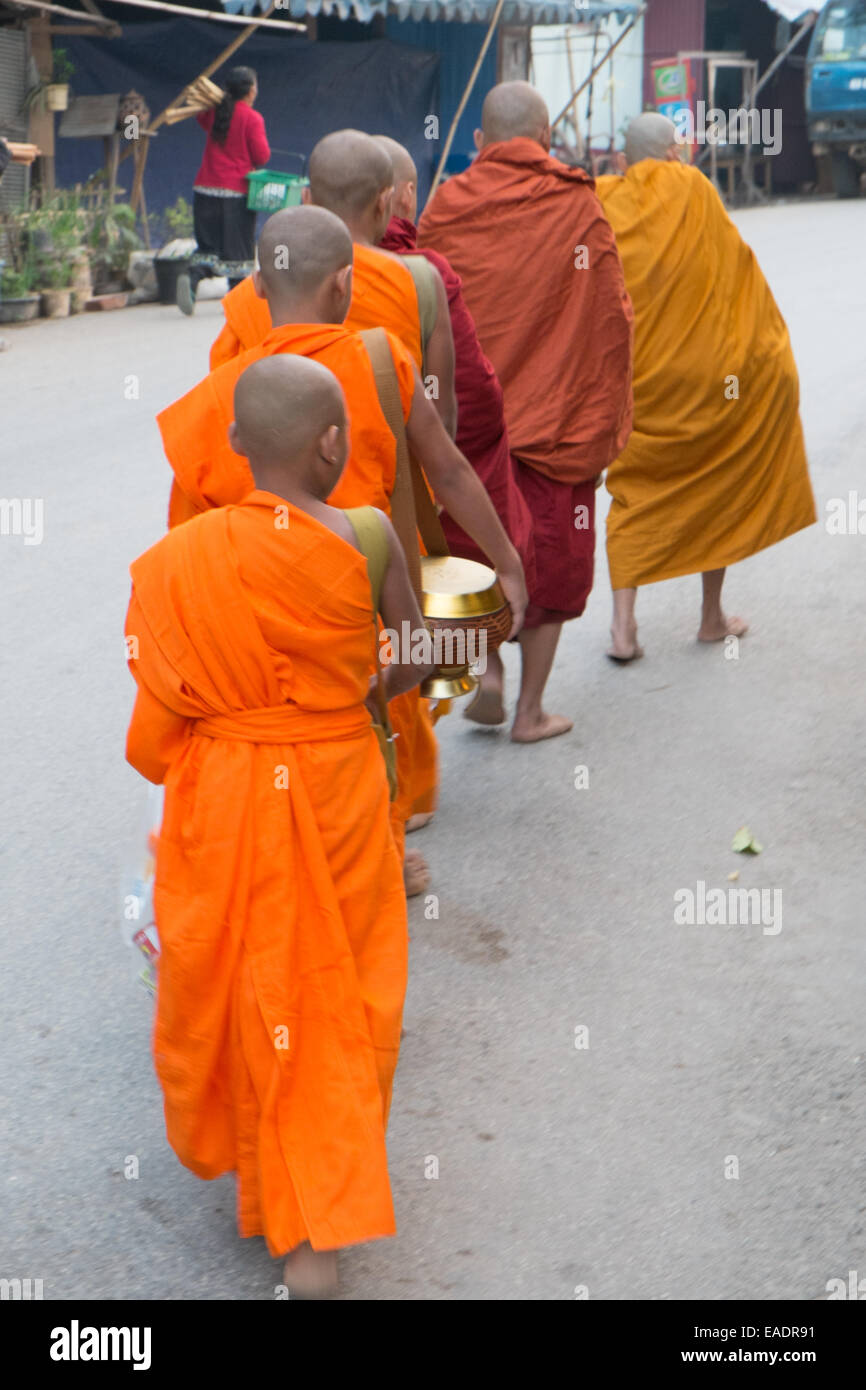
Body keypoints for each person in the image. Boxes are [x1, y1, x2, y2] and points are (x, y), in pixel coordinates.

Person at [126, 354, 432, 1298]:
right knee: (332, 994)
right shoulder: (370, 535)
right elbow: (415, 662)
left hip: (225, 795)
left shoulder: (184, 559)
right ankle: (315, 1229)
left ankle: (280, 1187)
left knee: (255, 980)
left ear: (233, 443)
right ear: (335, 442)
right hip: (339, 787)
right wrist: (346, 698)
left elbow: (161, 708)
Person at [156, 206, 528, 894]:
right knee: (366, 722)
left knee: (273, 732)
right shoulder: (381, 359)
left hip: (255, 603)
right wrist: (506, 560)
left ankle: (275, 857)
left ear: (258, 292)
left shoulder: (225, 389)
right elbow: (447, 468)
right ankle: (375, 850)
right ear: (344, 287)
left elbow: (185, 535)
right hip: (359, 583)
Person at [419, 81, 634, 742]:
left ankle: (488, 671)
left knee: (477, 547)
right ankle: (530, 711)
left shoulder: (446, 205)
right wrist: (594, 405)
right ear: (545, 142)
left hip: (470, 429)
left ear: (480, 143)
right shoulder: (575, 203)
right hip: (555, 420)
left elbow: (420, 310)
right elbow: (613, 317)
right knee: (553, 560)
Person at [595, 114, 816, 659]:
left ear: (622, 161)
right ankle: (711, 617)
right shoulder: (694, 186)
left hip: (638, 378)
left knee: (633, 491)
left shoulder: (601, 198)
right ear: (676, 154)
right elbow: (737, 274)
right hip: (709, 377)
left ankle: (624, 628)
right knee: (716, 480)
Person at [373, 133, 537, 729]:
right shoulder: (423, 273)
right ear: (403, 196)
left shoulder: (307, 272)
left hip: (330, 475)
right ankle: (486, 668)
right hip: (420, 462)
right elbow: (463, 386)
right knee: (452, 554)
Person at [176, 66, 270, 317]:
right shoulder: (252, 118)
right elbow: (262, 156)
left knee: (208, 245)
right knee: (237, 251)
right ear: (251, 91)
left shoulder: (216, 112)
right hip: (236, 193)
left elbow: (200, 117)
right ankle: (238, 301)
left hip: (205, 189)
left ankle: (193, 278)